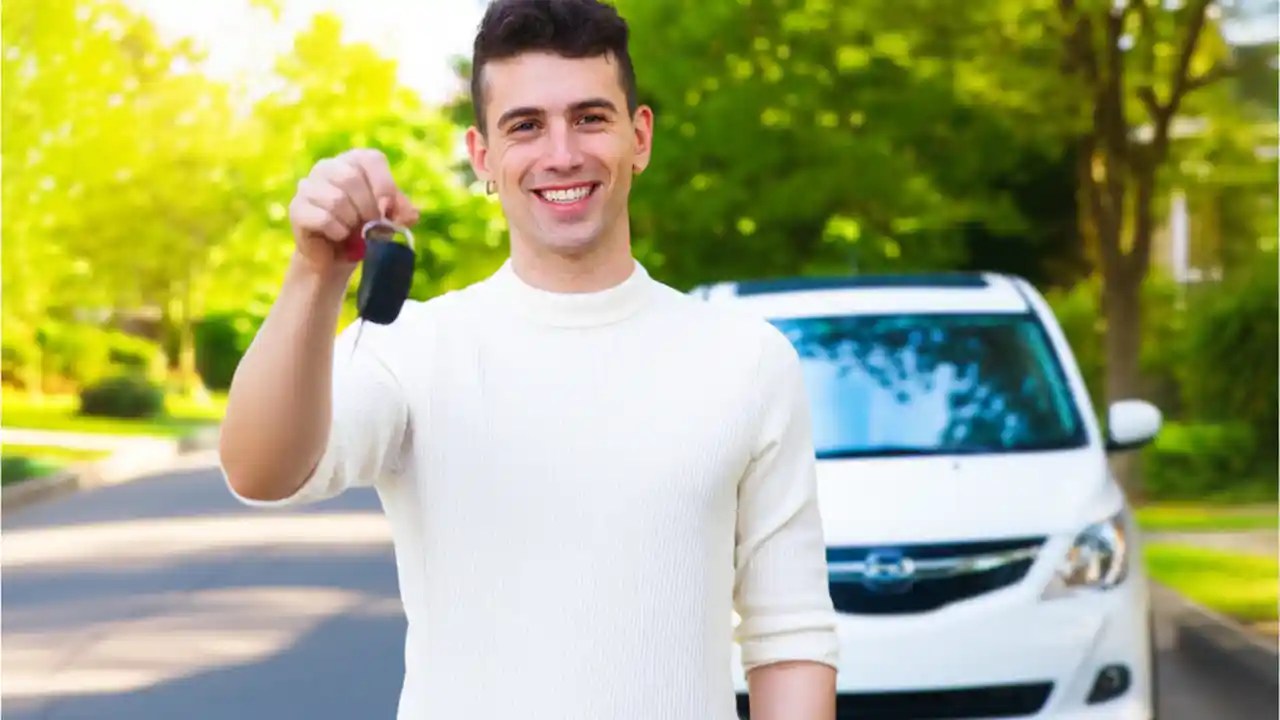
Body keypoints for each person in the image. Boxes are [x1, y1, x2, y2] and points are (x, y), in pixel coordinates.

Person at [217, 0, 838, 717]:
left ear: (639, 137)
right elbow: (260, 470)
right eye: (526, 126)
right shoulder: (413, 350)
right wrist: (317, 273)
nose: (562, 153)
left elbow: (789, 636)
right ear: (483, 156)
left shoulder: (746, 359)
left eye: (591, 117)